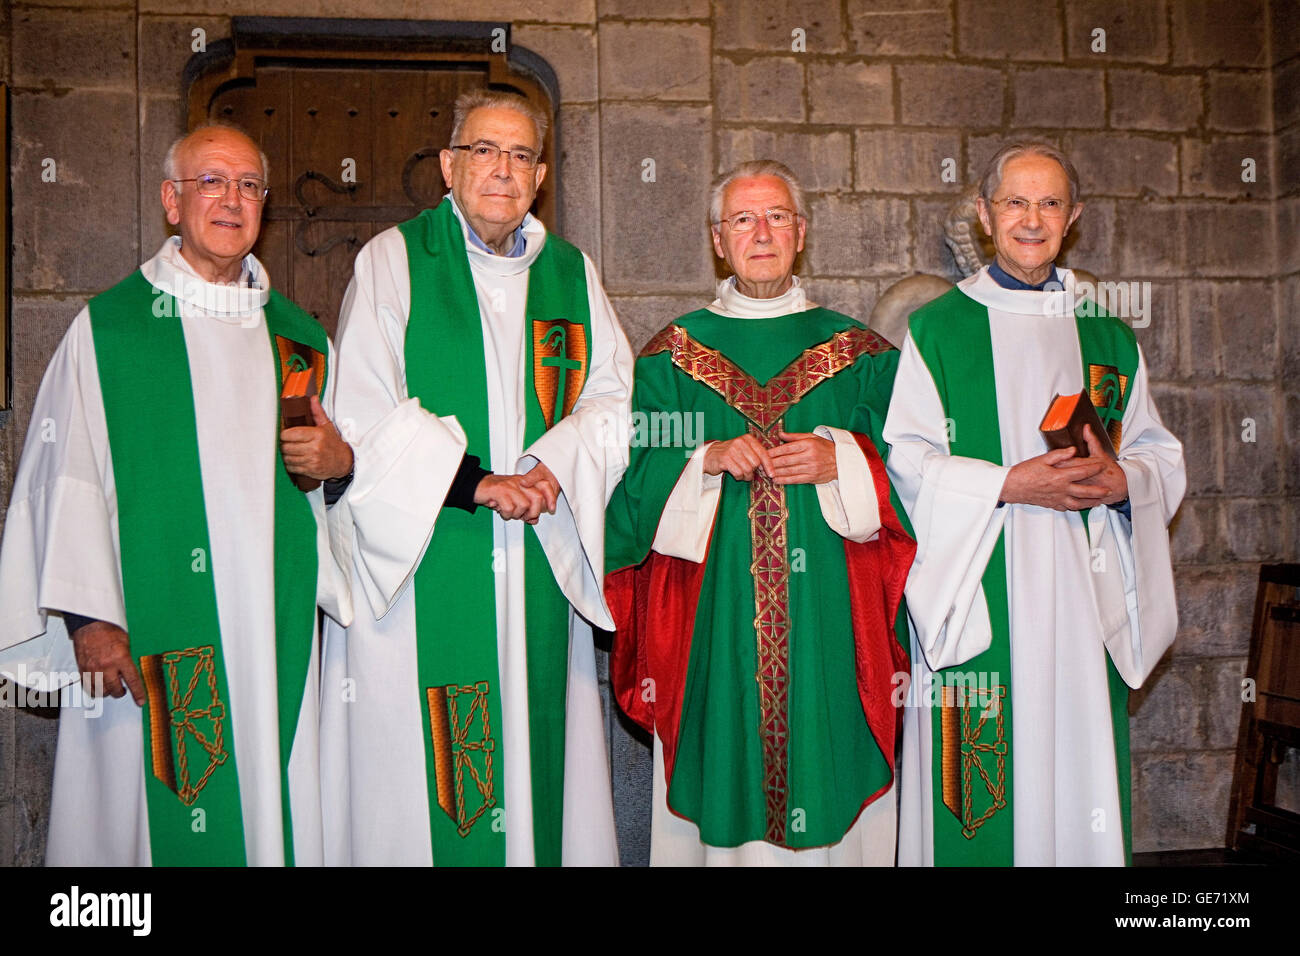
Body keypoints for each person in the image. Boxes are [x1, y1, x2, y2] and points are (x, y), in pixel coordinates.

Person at [0, 123, 354, 865]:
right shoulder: (112, 330)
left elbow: (329, 498)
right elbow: (64, 477)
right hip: (145, 638)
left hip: (270, 635)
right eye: (211, 182)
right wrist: (90, 622)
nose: (232, 200)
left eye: (250, 186)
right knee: (142, 821)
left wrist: (337, 464)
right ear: (172, 201)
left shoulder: (299, 342)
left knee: (264, 801)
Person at [321, 89, 632, 866]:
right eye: (485, 151)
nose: (503, 169)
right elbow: (361, 410)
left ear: (542, 175)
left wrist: (551, 465)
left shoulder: (570, 272)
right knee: (425, 796)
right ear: (450, 166)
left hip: (533, 561)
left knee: (532, 776)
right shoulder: (394, 260)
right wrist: (475, 482)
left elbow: (614, 397)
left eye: (521, 154)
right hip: (422, 570)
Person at [604, 160, 916, 865]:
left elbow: (923, 472)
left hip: (832, 626)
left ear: (801, 233)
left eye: (777, 216)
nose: (762, 232)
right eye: (743, 219)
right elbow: (623, 490)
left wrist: (846, 462)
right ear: (719, 239)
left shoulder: (863, 357)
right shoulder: (670, 359)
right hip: (711, 629)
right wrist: (702, 460)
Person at [884, 141, 1186, 865]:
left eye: (1049, 203)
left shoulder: (1107, 333)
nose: (1032, 219)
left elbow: (1157, 453)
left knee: (1074, 779)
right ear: (987, 217)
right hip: (979, 594)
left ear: (1073, 218)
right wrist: (1008, 484)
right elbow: (907, 460)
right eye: (1015, 202)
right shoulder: (937, 328)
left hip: (1083, 603)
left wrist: (1125, 485)